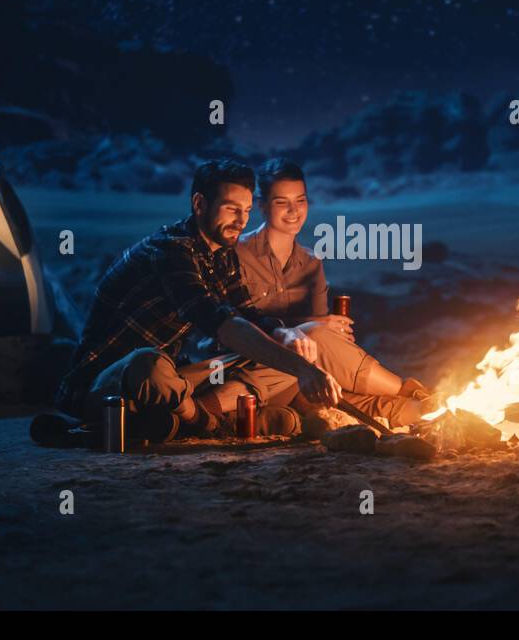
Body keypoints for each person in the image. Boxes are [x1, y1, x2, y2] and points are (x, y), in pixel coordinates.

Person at [47, 159, 345, 444]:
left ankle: (171, 421)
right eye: (231, 209)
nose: (241, 221)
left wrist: (285, 336)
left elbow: (246, 313)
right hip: (113, 383)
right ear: (200, 204)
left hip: (175, 381)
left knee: (282, 356)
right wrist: (303, 371)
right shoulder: (171, 251)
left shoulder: (221, 253)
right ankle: (209, 423)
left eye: (246, 210)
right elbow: (221, 323)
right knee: (147, 362)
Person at [236, 158, 434, 427]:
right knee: (317, 333)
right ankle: (408, 389)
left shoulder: (310, 262)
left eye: (301, 200)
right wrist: (311, 327)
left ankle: (431, 408)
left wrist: (331, 331)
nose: (294, 211)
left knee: (387, 409)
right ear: (262, 205)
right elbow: (231, 327)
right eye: (282, 202)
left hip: (309, 375)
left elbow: (325, 341)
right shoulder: (237, 254)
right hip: (263, 371)